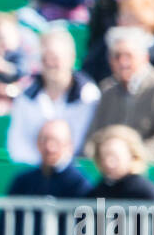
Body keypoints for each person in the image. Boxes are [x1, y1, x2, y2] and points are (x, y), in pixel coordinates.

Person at [84, 27, 154, 165]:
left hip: (153, 169)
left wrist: (129, 158)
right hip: (110, 168)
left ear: (145, 57)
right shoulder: (107, 90)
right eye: (117, 56)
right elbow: (94, 138)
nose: (122, 62)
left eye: (128, 55)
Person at [10, 26, 101, 164]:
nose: (50, 63)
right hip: (34, 171)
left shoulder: (89, 96)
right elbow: (17, 145)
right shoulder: (25, 96)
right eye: (45, 58)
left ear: (71, 58)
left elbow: (81, 144)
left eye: (56, 58)